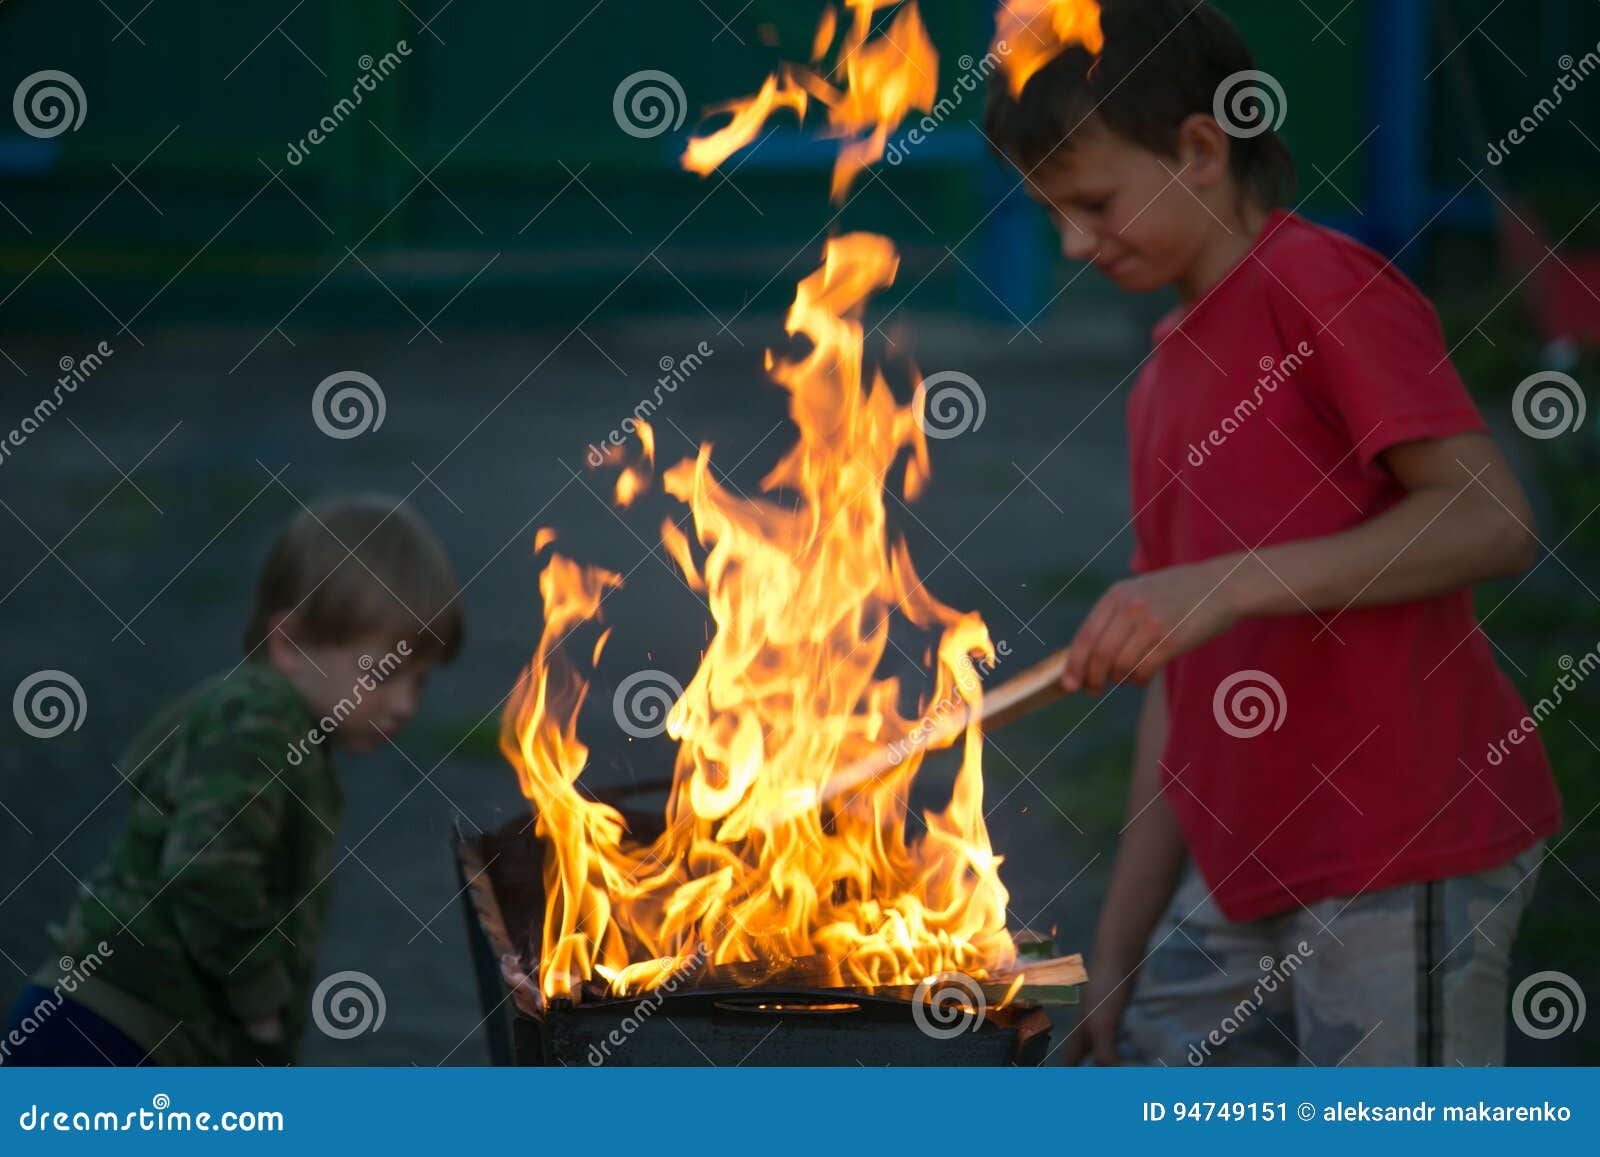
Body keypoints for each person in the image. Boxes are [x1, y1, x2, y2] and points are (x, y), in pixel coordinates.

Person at [985, 0, 1561, 1065]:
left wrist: (1223, 584)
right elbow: (1178, 679)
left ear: (1201, 150)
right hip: (1241, 870)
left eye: (1095, 203)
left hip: (1399, 848)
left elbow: (1491, 519)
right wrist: (1117, 950)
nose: (1073, 242)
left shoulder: (1320, 285)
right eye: (1052, 214)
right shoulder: (1158, 377)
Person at [2, 496, 462, 1065]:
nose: (405, 704)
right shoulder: (260, 724)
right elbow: (207, 872)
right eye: (385, 674)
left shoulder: (277, 725)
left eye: (419, 682)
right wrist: (260, 1004)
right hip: (106, 1035)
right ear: (290, 645)